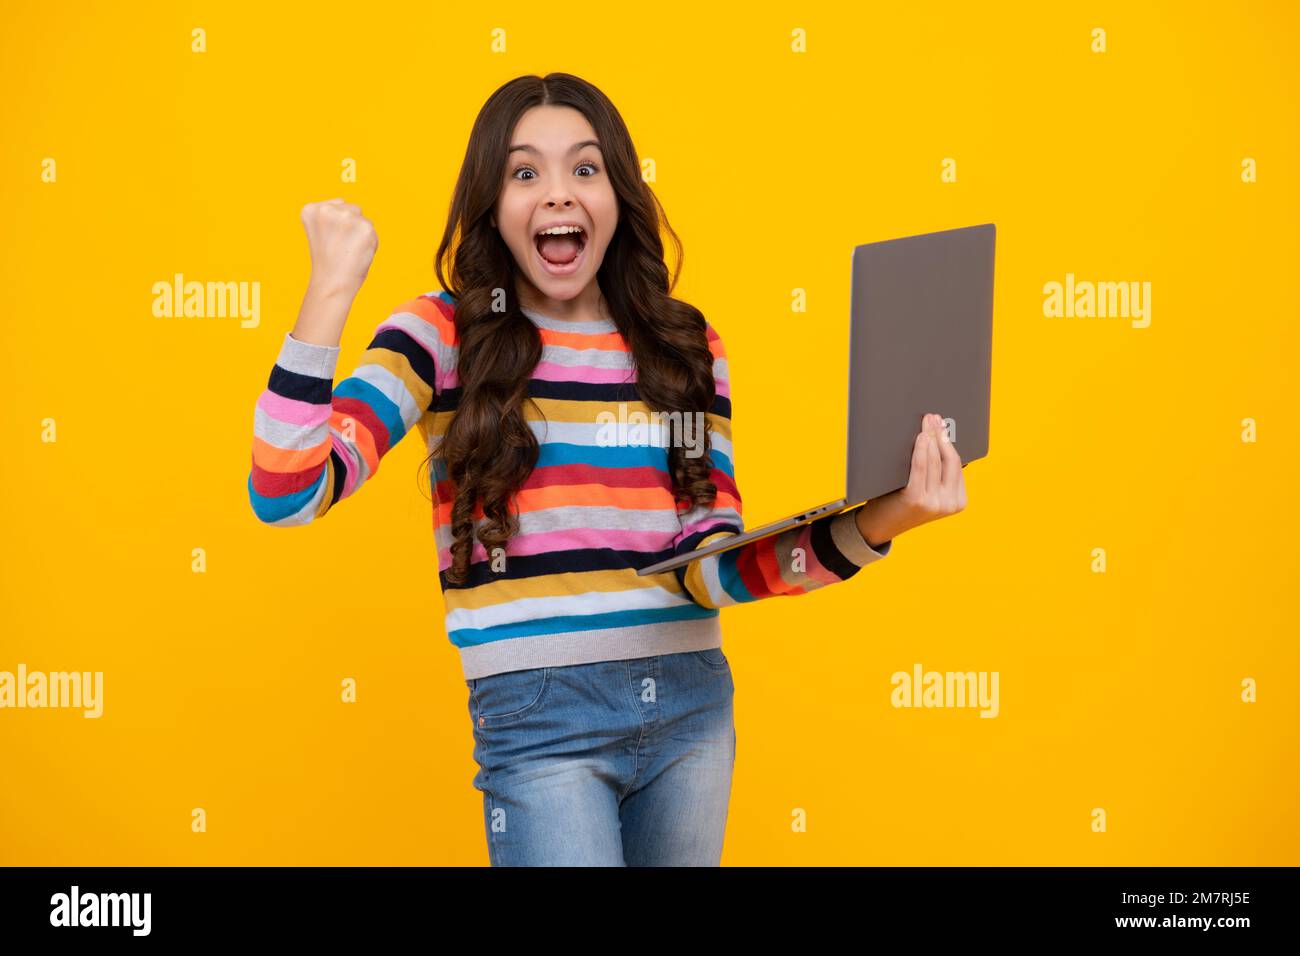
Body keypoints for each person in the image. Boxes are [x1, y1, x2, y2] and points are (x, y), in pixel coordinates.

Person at [246, 72, 967, 866]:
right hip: (538, 716)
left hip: (692, 706)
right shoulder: (443, 332)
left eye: (585, 169)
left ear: (619, 195)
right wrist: (331, 291)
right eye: (525, 173)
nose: (558, 194)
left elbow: (711, 574)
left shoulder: (683, 346)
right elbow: (288, 491)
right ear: (491, 203)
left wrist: (888, 516)